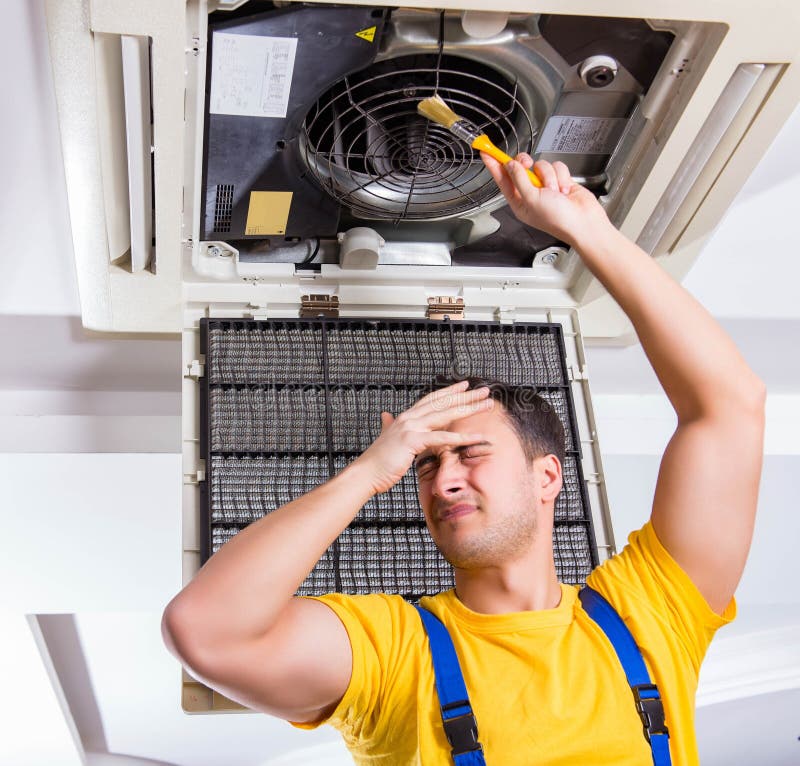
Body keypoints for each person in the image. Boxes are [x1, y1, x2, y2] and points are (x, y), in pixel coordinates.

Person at [161, 155, 766, 765]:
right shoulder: (394, 651)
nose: (444, 478)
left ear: (547, 475)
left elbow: (729, 408)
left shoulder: (649, 613)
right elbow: (208, 633)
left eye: (470, 453)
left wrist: (590, 233)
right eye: (425, 464)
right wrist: (366, 474)